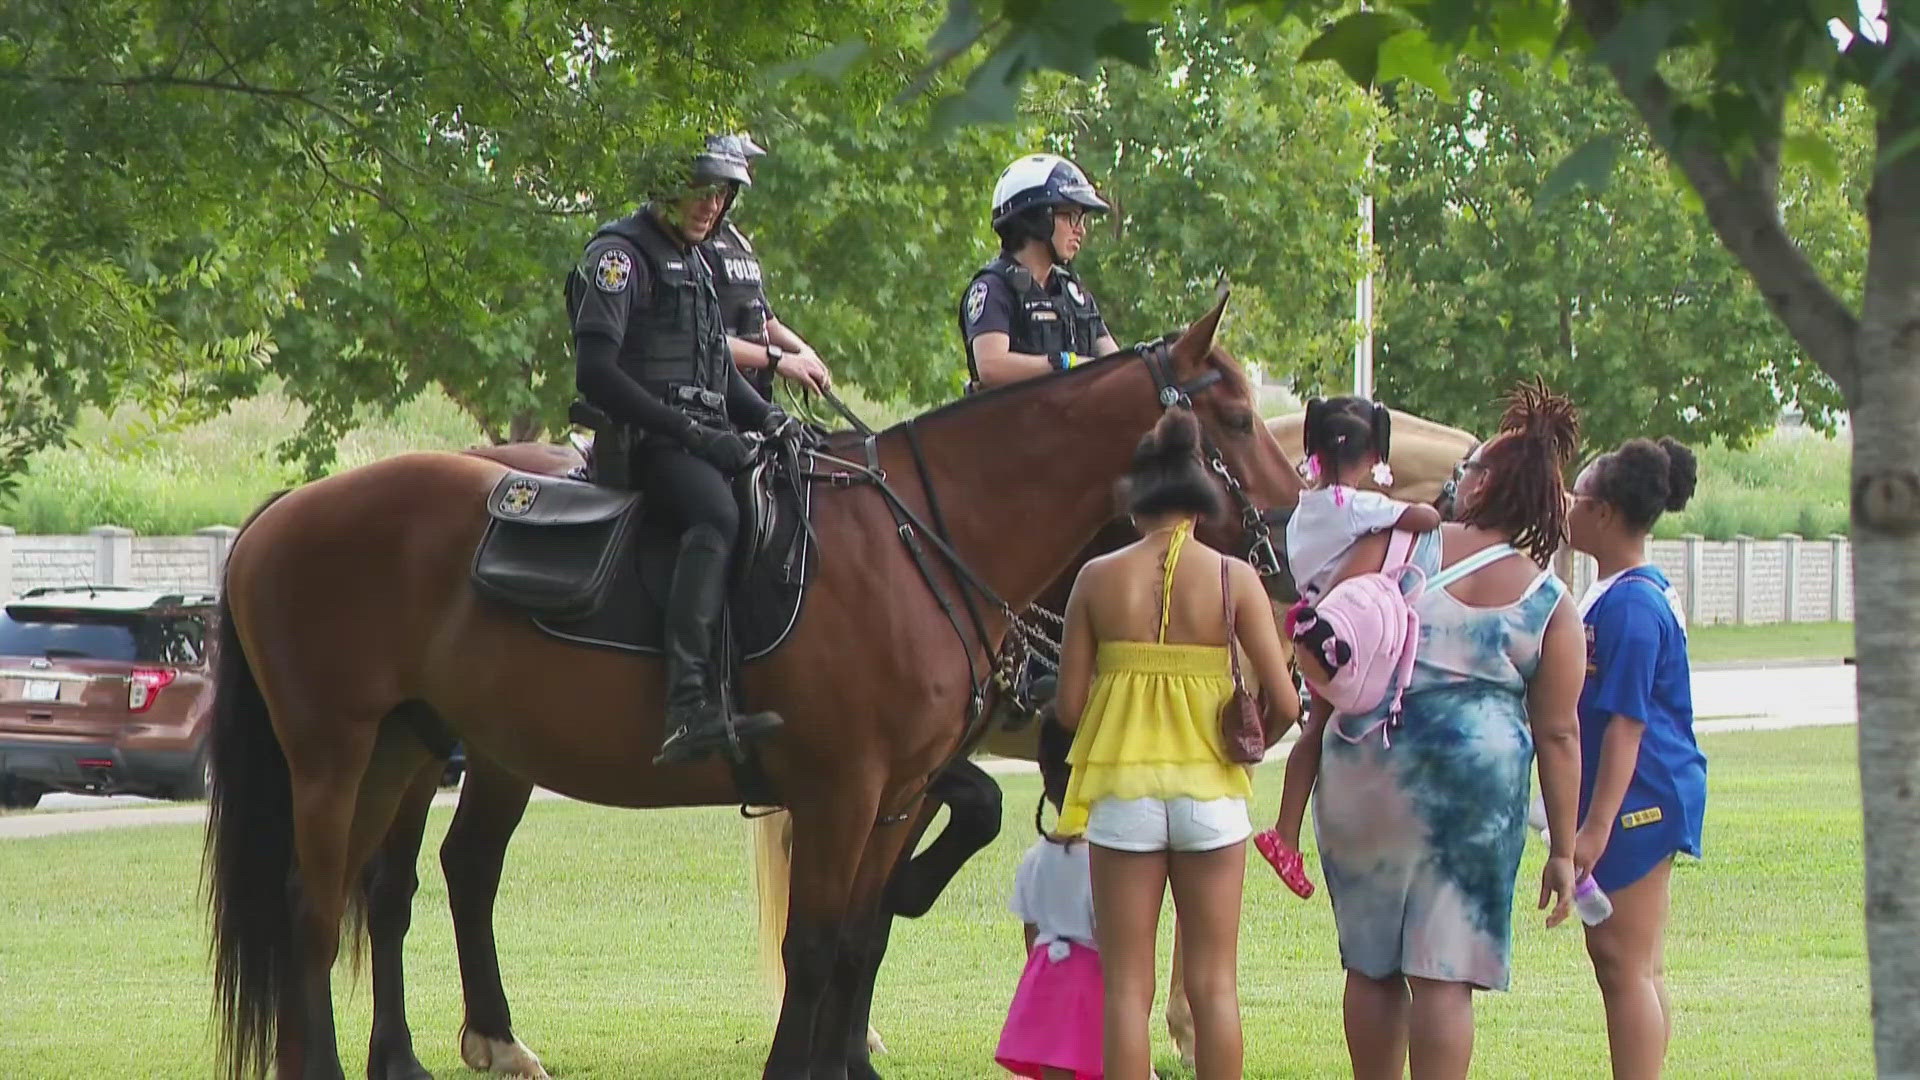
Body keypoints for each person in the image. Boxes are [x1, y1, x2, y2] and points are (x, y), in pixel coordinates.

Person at [1311, 380, 1586, 1080]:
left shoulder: (1393, 545)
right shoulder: (1550, 601)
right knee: (1444, 974)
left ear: (1486, 483)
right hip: (1475, 796)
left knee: (1371, 965)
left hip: (1367, 773)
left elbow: (1325, 636)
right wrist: (1564, 845)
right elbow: (1558, 735)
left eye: (1468, 469)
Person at [1054, 410, 1302, 1080]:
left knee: (1125, 994)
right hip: (1211, 798)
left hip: (1122, 799)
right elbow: (1286, 702)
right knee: (1214, 986)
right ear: (1197, 502)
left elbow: (1069, 709)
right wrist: (1244, 748)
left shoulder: (1096, 580)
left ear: (1139, 499)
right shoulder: (1233, 578)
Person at [566, 136, 801, 766]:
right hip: (640, 443)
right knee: (716, 513)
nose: (711, 204)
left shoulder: (697, 261)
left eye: (721, 193)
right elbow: (596, 372)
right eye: (700, 188)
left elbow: (716, 366)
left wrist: (770, 418)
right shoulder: (619, 255)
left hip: (698, 436)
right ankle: (688, 704)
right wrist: (689, 433)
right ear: (664, 187)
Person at [1253, 397, 1441, 898]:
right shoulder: (1363, 507)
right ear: (1374, 457)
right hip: (1347, 636)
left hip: (1312, 633)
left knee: (1313, 733)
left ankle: (1286, 831)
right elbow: (1424, 518)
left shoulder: (1301, 512)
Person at [1566, 436, 1707, 1080]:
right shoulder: (1616, 592)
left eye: (1576, 496)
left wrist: (1592, 829)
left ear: (1603, 513)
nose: (1564, 506)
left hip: (1641, 796)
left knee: (1624, 963)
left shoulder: (1631, 606)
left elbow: (1626, 723)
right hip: (1636, 792)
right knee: (1636, 963)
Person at [995, 717, 1104, 1080]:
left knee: (1055, 1062)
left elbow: (1031, 931)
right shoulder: (1105, 862)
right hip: (1091, 977)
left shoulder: (1034, 858)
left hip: (1045, 976)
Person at [960, 154, 1122, 391]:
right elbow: (992, 367)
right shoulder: (994, 288)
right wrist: (1066, 363)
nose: (1081, 231)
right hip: (1011, 425)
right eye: (1071, 217)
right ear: (1036, 217)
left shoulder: (1073, 293)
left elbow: (1114, 362)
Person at [699, 133, 834, 399]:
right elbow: (698, 339)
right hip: (709, 394)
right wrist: (778, 359)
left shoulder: (737, 240)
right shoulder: (692, 243)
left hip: (752, 393)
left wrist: (804, 353)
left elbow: (767, 321)